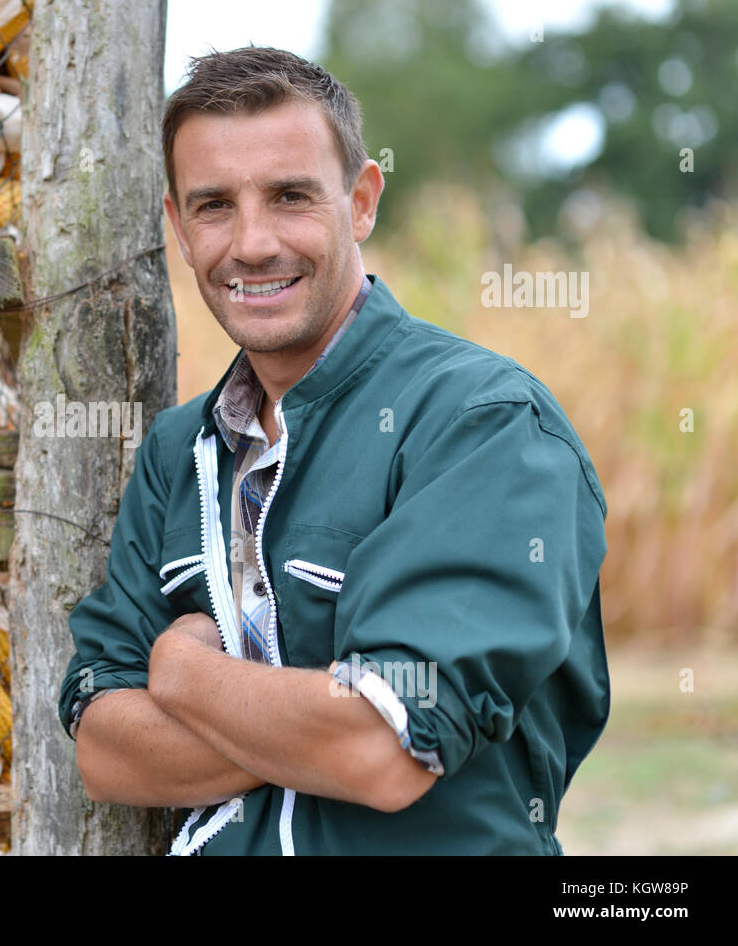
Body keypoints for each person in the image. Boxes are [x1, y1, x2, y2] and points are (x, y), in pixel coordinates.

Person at [56, 46, 611, 855]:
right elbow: (104, 750)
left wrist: (183, 675)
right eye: (214, 205)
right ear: (177, 226)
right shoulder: (178, 451)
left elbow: (382, 750)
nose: (251, 243)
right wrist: (306, 726)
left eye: (290, 197)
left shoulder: (483, 425)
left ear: (359, 201)